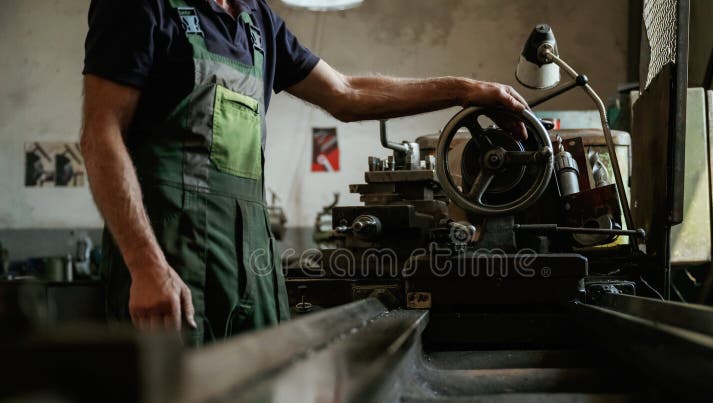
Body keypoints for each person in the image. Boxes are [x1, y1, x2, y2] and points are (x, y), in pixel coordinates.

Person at [81, 0, 529, 346]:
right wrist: (145, 265)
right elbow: (100, 135)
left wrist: (468, 91)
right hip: (170, 262)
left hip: (252, 264)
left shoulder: (257, 21)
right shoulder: (141, 6)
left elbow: (347, 93)